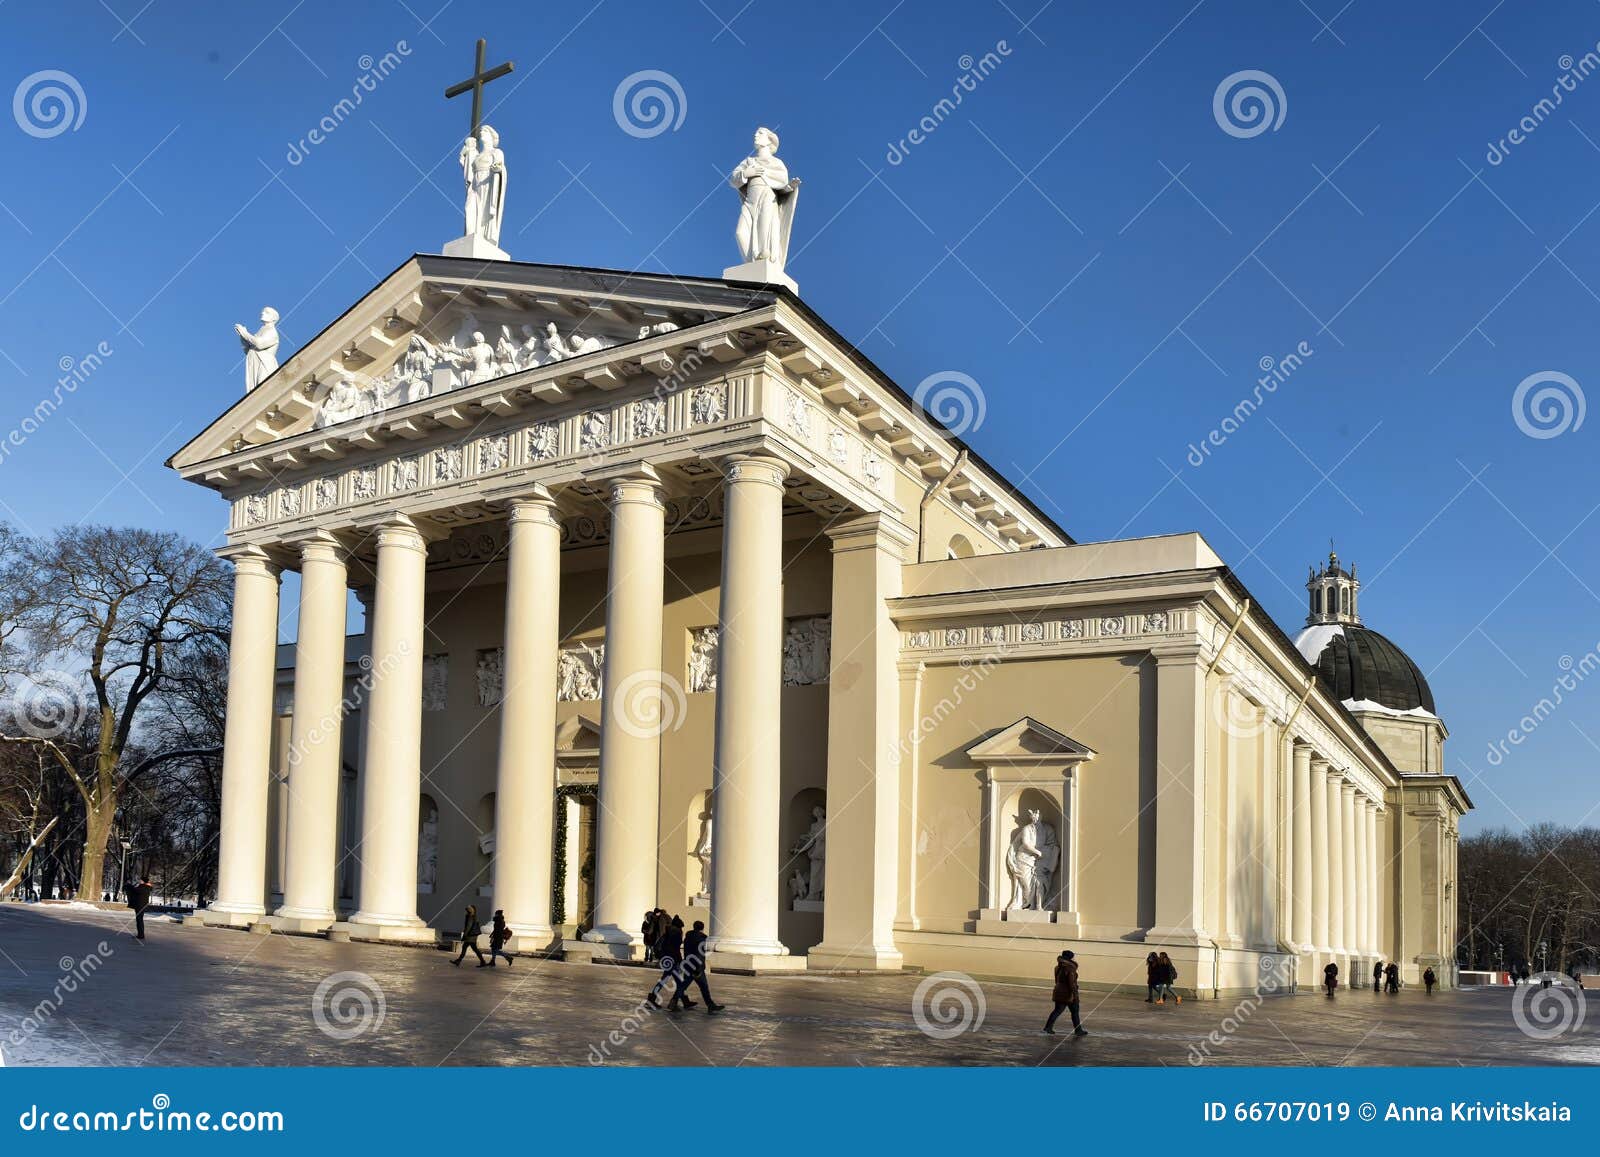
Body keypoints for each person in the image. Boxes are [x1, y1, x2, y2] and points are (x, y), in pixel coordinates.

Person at [671, 920, 725, 1013]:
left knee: (684, 986)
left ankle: (673, 1002)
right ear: (702, 928)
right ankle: (710, 1005)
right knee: (704, 987)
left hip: (688, 965)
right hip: (697, 968)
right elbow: (699, 954)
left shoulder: (688, 937)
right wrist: (698, 968)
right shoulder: (701, 939)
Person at [1043, 950, 1087, 1035]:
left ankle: (1048, 1027)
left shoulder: (1058, 967)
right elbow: (1072, 984)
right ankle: (1078, 1030)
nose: (1074, 958)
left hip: (1059, 991)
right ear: (1070, 958)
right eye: (1073, 957)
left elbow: (1057, 981)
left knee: (1057, 1011)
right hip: (1068, 993)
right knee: (1075, 1011)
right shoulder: (1070, 968)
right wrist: (1075, 996)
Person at [646, 916, 685, 1008]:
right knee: (676, 982)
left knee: (670, 980)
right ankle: (676, 1001)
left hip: (666, 959)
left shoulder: (667, 932)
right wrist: (679, 960)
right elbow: (676, 949)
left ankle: (652, 999)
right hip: (673, 960)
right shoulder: (677, 933)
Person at [126, 873, 153, 941]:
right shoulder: (145, 887)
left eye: (141, 880)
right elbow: (135, 890)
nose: (140, 881)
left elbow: (135, 890)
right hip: (141, 906)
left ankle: (141, 935)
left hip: (140, 906)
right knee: (139, 920)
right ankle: (140, 934)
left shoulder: (144, 887)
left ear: (143, 881)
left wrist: (129, 885)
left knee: (139, 920)